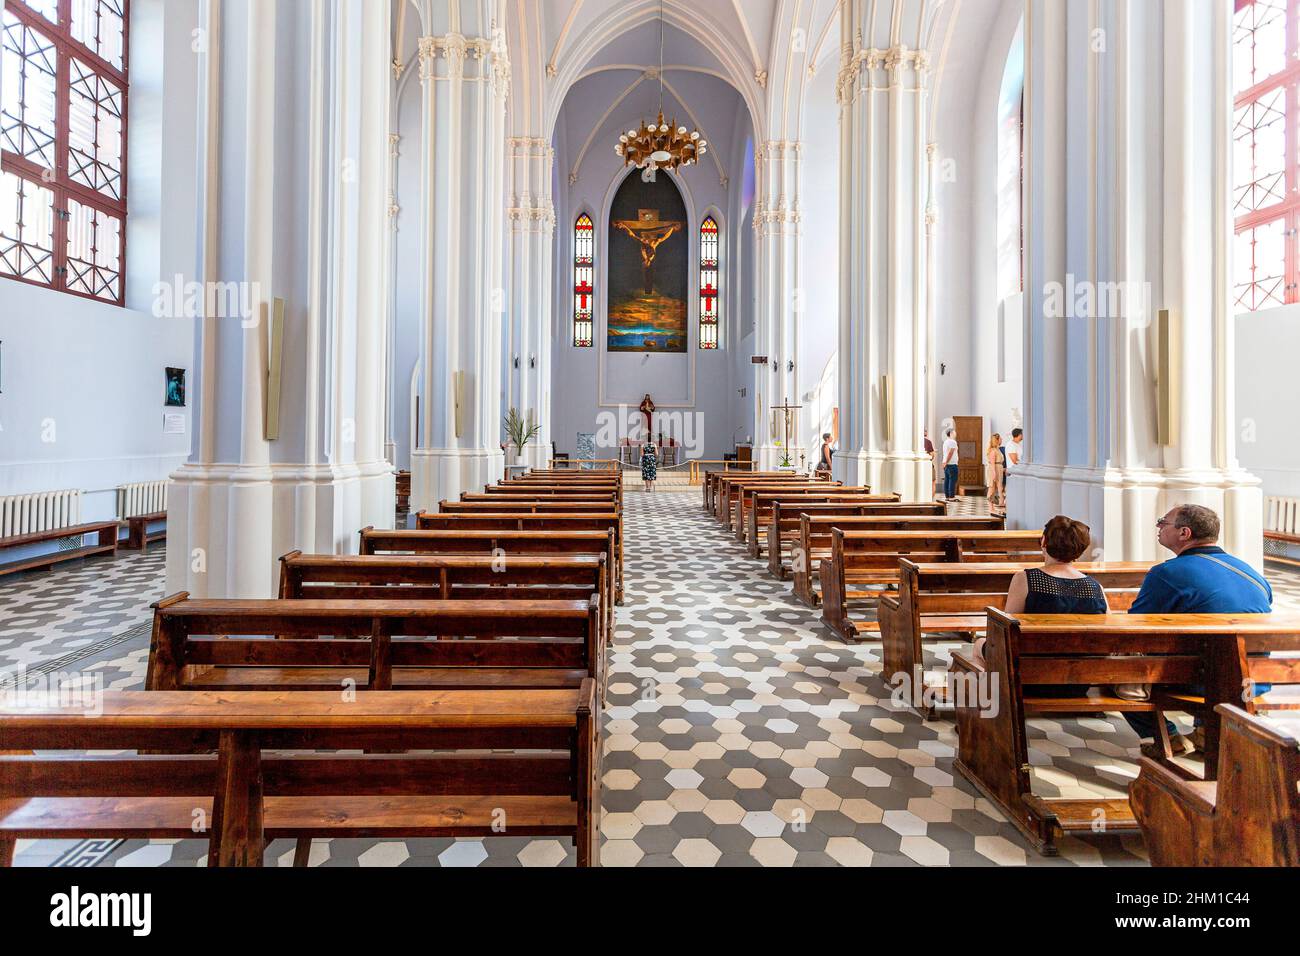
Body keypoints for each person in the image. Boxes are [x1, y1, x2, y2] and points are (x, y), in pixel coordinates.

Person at [1123, 504, 1274, 757]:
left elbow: (1135, 628)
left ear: (1184, 533)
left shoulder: (1167, 573)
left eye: (1163, 521)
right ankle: (1204, 732)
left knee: (1114, 668)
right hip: (1253, 679)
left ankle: (1167, 736)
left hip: (1202, 681)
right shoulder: (1251, 573)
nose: (1158, 526)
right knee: (1214, 650)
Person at [974, 516, 1108, 691]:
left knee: (979, 645)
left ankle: (993, 702)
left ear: (1043, 541)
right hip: (1078, 680)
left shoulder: (1026, 579)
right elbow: (1106, 635)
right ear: (1080, 549)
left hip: (1028, 675)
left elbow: (1005, 631)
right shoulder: (1096, 588)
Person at [985, 434, 1005, 516]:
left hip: (998, 468)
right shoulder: (993, 450)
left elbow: (998, 462)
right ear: (997, 440)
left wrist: (1002, 469)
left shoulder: (998, 449)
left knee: (999, 487)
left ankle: (998, 504)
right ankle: (991, 508)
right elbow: (993, 463)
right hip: (993, 470)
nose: (1002, 439)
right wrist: (994, 474)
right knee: (991, 488)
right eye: (1001, 438)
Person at [940, 429, 959, 502]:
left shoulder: (945, 442)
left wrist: (944, 462)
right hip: (952, 464)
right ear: (951, 433)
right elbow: (950, 453)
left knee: (947, 480)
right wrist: (946, 462)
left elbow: (945, 453)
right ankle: (951, 497)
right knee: (952, 480)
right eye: (954, 432)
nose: (955, 433)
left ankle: (947, 496)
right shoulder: (952, 442)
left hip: (946, 464)